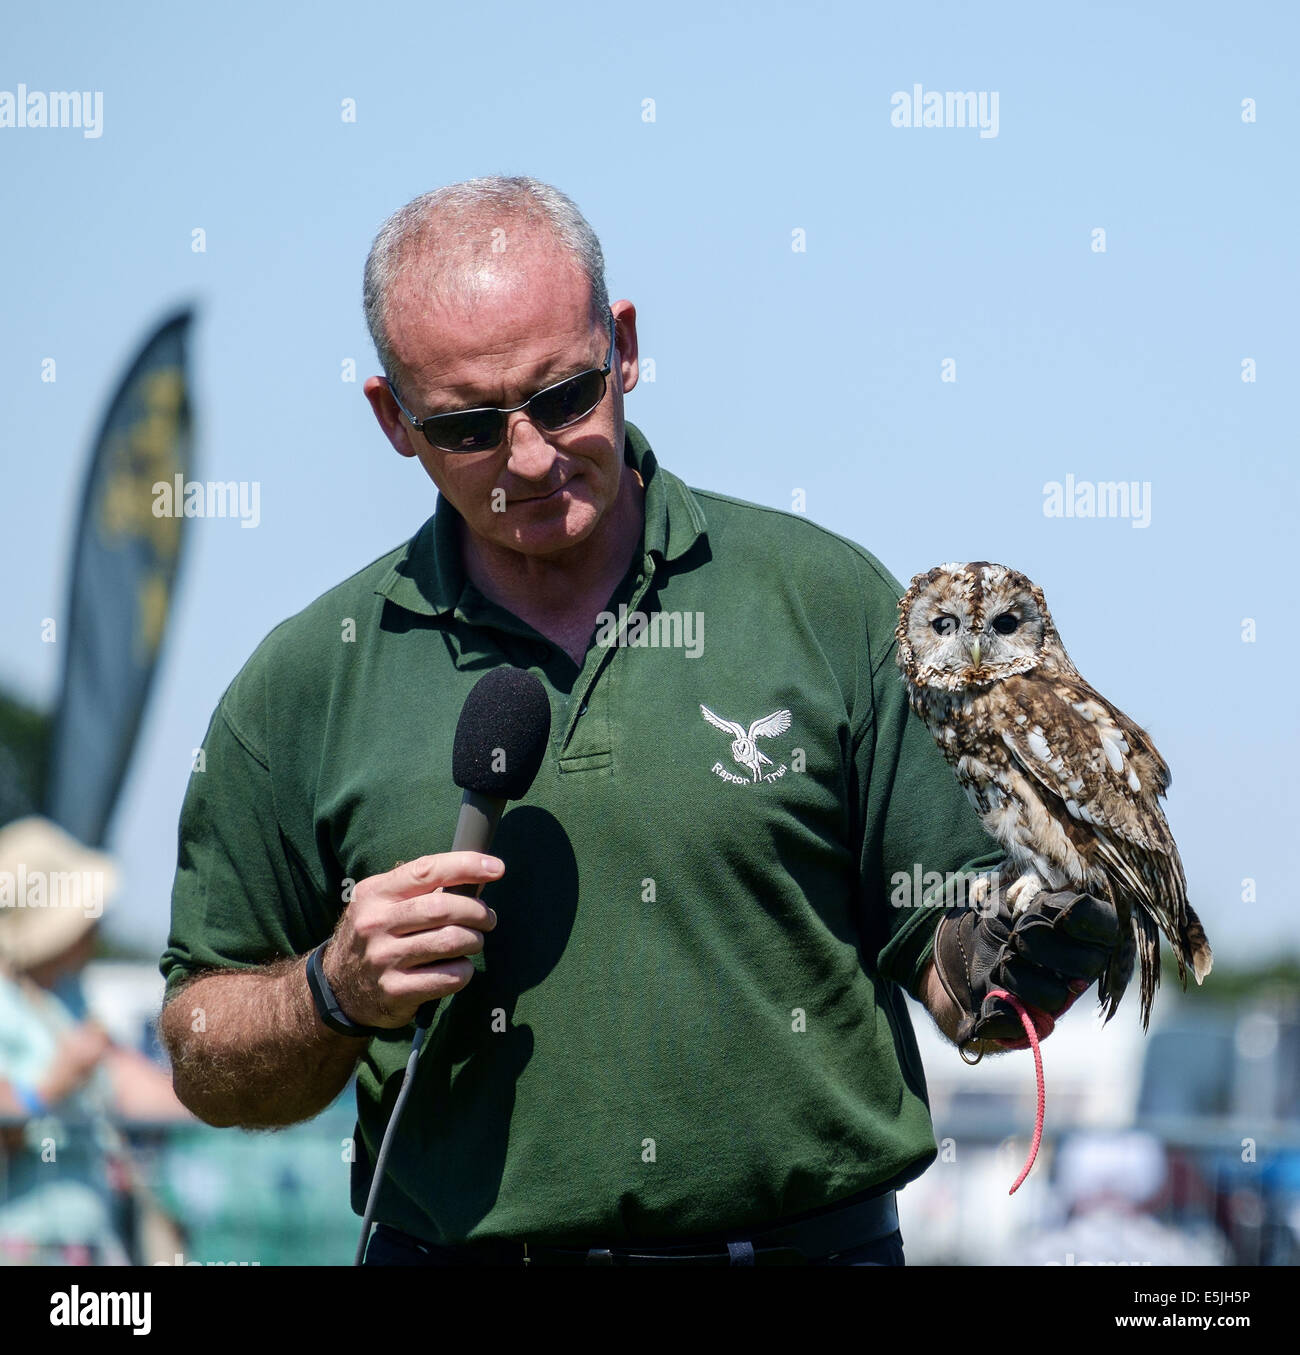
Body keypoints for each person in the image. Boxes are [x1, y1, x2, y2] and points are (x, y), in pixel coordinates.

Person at [158, 176, 1115, 1266]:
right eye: (469, 424)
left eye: (565, 395)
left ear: (623, 347)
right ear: (393, 421)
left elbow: (954, 977)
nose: (529, 455)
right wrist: (332, 987)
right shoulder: (305, 682)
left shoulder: (824, 602)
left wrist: (1024, 952)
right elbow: (199, 1049)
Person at [0, 816, 189, 1264]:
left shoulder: (71, 999)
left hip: (91, 1245)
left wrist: (235, 1096)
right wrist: (53, 1084)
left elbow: (133, 1087)